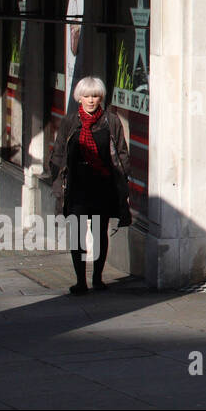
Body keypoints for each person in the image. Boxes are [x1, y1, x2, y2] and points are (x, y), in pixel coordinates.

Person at [49, 76, 132, 294]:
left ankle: (97, 278)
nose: (91, 100)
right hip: (77, 186)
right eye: (87, 96)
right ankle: (80, 281)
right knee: (77, 233)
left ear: (101, 97)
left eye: (95, 96)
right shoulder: (70, 122)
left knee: (99, 232)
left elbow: (121, 154)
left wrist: (123, 183)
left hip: (102, 186)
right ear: (79, 97)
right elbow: (58, 153)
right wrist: (57, 180)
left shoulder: (111, 121)